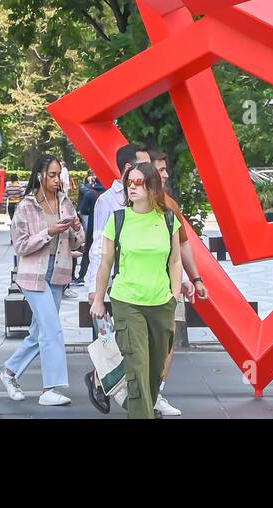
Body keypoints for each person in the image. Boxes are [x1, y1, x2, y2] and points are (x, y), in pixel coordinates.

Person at [90, 162, 184, 419]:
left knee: (155, 372)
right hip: (126, 301)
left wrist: (174, 297)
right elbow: (106, 262)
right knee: (138, 366)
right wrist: (98, 299)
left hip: (161, 303)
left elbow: (175, 261)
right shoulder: (118, 219)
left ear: (152, 185)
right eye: (129, 182)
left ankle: (140, 409)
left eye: (138, 182)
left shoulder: (168, 220)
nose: (131, 187)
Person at [0, 155, 85, 406]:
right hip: (32, 275)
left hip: (58, 273)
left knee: (40, 332)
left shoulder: (65, 203)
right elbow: (21, 245)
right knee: (52, 330)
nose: (58, 179)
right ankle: (50, 388)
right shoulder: (26, 206)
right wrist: (49, 232)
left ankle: (9, 372)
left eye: (59, 174)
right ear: (40, 176)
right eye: (52, 175)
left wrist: (77, 228)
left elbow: (79, 243)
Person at [147, 147, 206, 417]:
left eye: (165, 169)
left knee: (168, 340)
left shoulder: (170, 205)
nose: (166, 174)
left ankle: (156, 392)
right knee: (140, 343)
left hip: (170, 284)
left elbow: (183, 246)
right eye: (160, 170)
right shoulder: (130, 206)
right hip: (139, 286)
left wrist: (195, 278)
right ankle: (120, 384)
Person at [85, 144, 152, 298]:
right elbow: (99, 244)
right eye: (145, 166)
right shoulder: (108, 200)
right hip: (121, 281)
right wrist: (94, 289)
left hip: (150, 280)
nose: (151, 171)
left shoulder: (152, 197)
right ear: (129, 168)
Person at [74, 176, 106, 284]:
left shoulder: (90, 194)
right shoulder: (110, 194)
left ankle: (81, 276)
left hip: (93, 228)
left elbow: (83, 211)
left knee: (88, 252)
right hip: (109, 228)